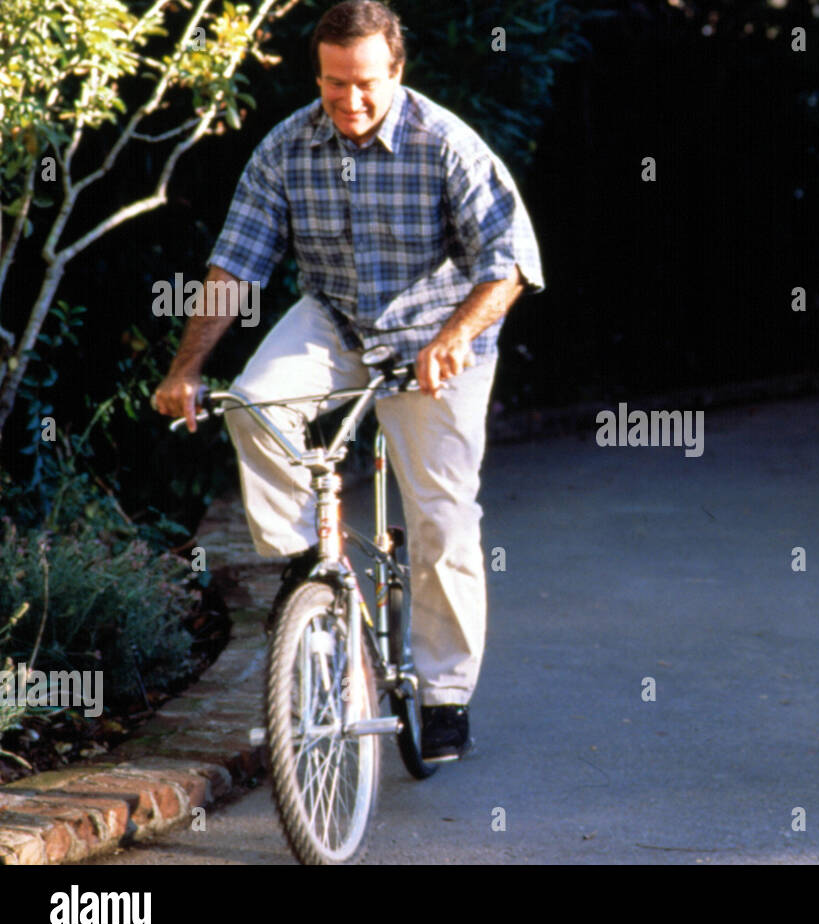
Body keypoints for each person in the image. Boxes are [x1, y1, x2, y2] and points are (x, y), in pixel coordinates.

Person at [152, 0, 544, 761]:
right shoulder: (287, 146)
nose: (350, 100)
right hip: (337, 319)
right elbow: (236, 264)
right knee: (255, 402)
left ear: (397, 71)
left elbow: (512, 262)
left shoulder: (444, 142)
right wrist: (187, 368)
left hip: (438, 335)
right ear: (318, 74)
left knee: (441, 520)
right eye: (334, 83)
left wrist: (453, 338)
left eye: (365, 83)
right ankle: (306, 571)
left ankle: (446, 692)